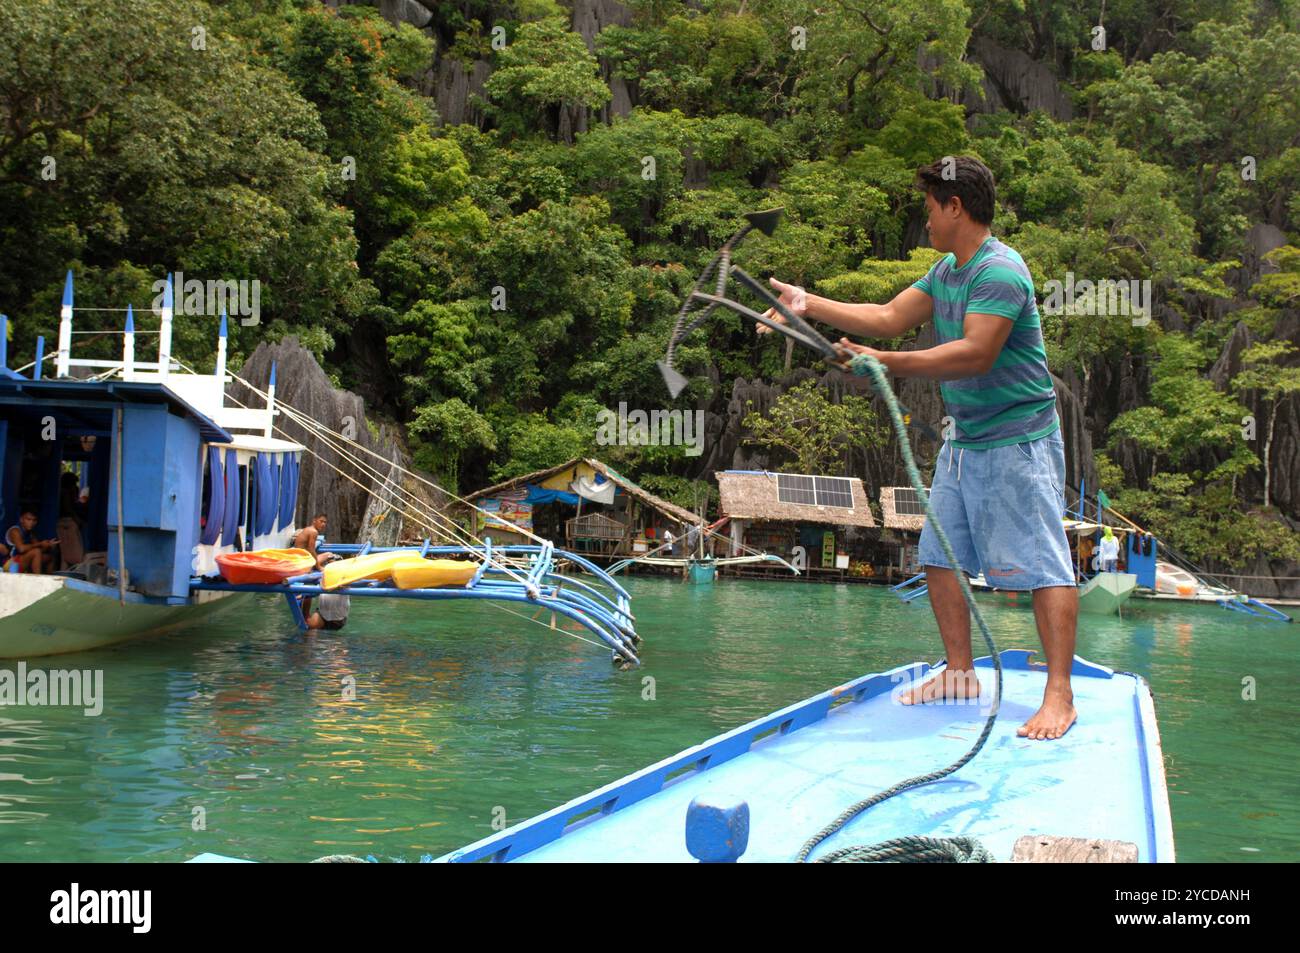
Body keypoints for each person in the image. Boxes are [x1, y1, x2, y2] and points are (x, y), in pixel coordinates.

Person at [762, 156, 1077, 741]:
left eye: (930, 206)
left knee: (1043, 564)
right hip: (967, 437)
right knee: (939, 553)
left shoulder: (1000, 272)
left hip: (1019, 438)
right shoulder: (945, 271)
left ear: (955, 206)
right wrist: (809, 304)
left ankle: (1059, 693)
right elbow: (886, 316)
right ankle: (960, 672)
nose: (925, 218)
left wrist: (887, 363)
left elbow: (974, 354)